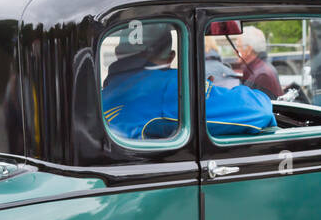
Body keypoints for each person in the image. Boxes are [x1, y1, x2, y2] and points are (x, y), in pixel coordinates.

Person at [101, 23, 275, 140]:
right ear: (171, 57)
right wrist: (204, 89)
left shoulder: (103, 91)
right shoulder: (171, 86)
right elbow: (258, 111)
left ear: (118, 53)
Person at [234, 25, 283, 99]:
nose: (235, 51)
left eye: (238, 46)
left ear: (248, 49)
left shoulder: (262, 75)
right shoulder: (258, 69)